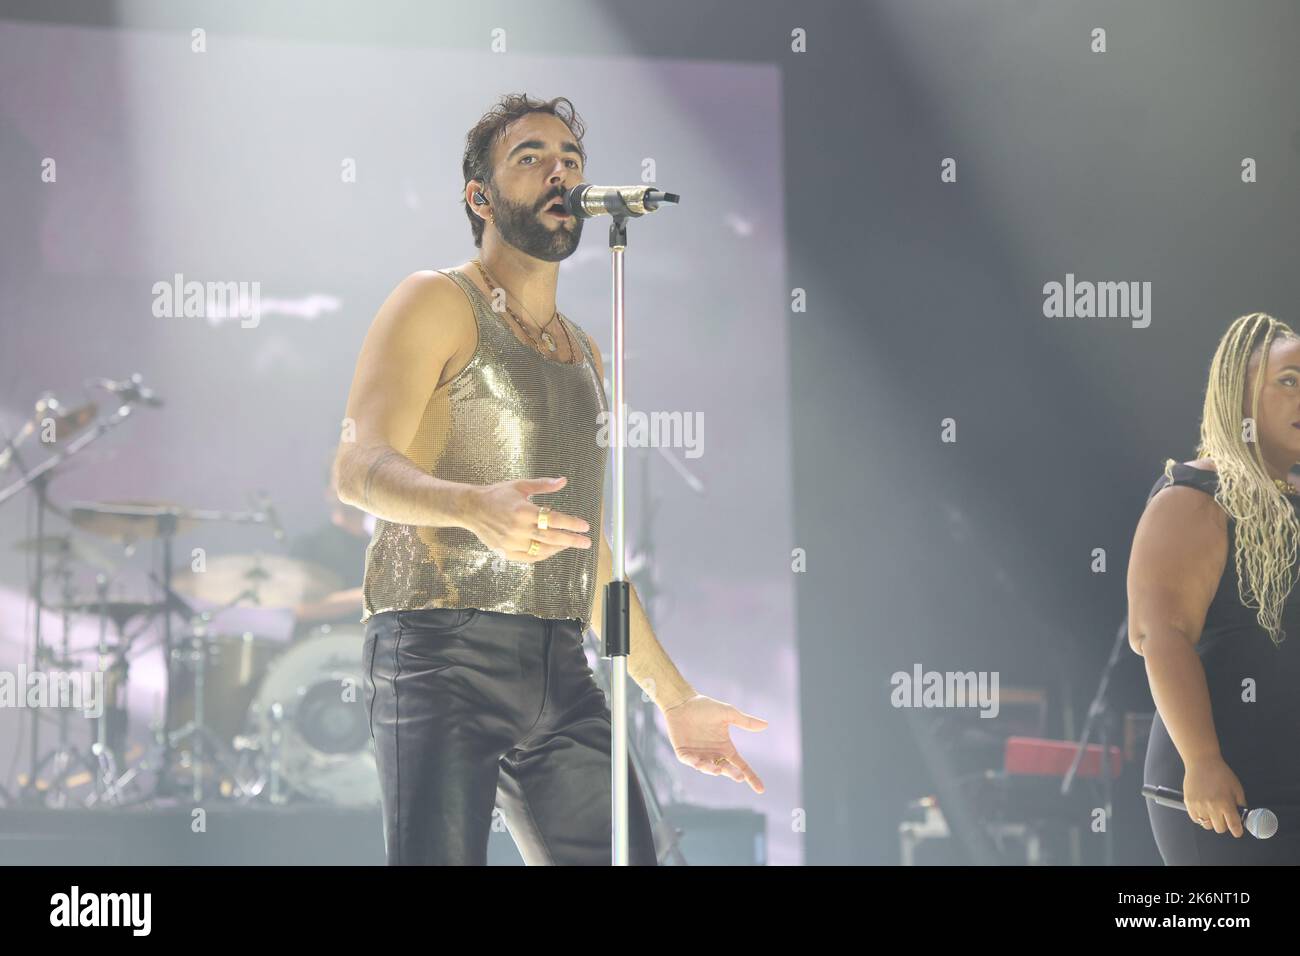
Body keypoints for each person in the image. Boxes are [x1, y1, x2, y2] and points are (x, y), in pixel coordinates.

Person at [333, 93, 767, 865]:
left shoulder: (585, 354)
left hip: (558, 662)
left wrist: (676, 698)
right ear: (482, 196)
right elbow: (356, 467)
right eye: (530, 157)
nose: (559, 171)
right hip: (439, 646)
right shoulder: (436, 299)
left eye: (570, 158)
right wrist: (470, 507)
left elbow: (589, 550)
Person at [1129, 311, 1300, 864]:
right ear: (1241, 393)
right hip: (1228, 798)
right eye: (1289, 380)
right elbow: (1161, 635)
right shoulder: (1196, 495)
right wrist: (1202, 760)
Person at [290, 453, 373, 631]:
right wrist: (367, 595)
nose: (353, 485)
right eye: (344, 478)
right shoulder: (310, 545)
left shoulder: (383, 551)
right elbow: (300, 609)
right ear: (328, 492)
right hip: (322, 652)